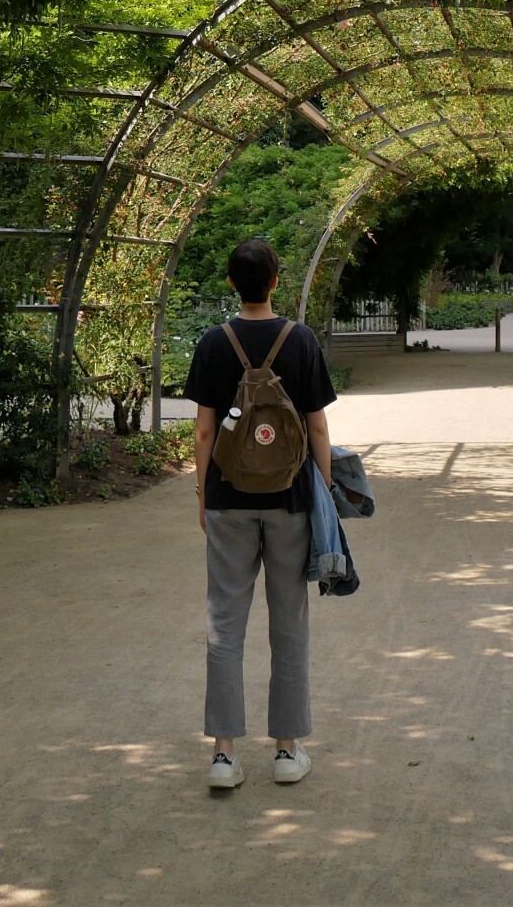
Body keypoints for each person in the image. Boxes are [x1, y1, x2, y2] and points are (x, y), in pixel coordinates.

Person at [184, 236, 337, 792]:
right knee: (289, 622)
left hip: (229, 499)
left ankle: (224, 756)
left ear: (232, 282)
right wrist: (324, 493)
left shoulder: (212, 342)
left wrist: (203, 493)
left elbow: (205, 430)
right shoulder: (300, 340)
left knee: (224, 624)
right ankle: (287, 751)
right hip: (289, 501)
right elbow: (317, 426)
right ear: (276, 281)